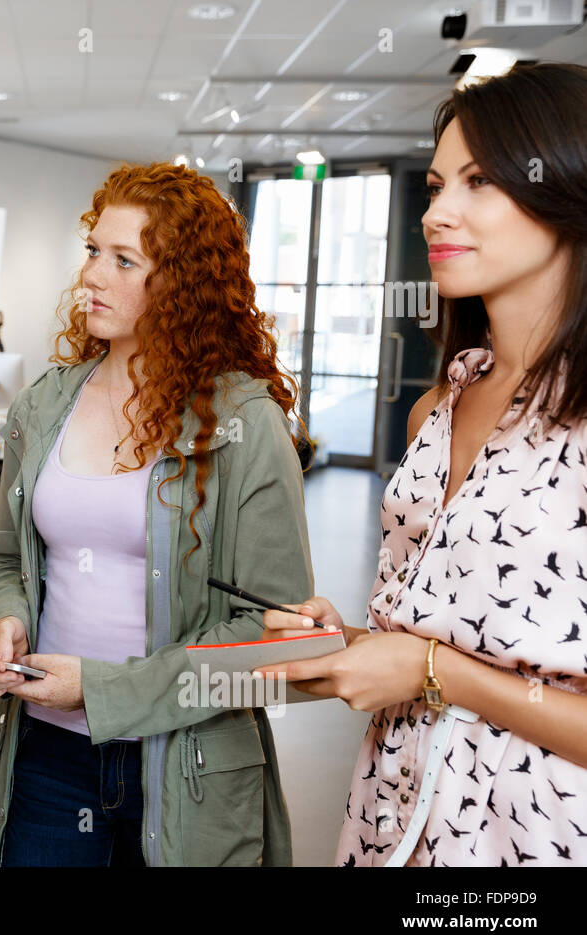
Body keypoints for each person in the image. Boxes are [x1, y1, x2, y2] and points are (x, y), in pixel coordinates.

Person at [258, 62, 587, 867]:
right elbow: (442, 638)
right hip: (394, 819)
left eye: (480, 182)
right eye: (437, 185)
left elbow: (442, 664)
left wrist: (431, 670)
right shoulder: (440, 405)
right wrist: (350, 647)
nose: (438, 213)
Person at [0, 162, 314, 866]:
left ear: (184, 283)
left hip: (191, 768)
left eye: (124, 260)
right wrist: (5, 616)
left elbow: (273, 640)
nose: (91, 275)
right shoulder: (44, 405)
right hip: (48, 755)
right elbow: (7, 558)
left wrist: (102, 691)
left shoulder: (245, 423)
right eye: (94, 251)